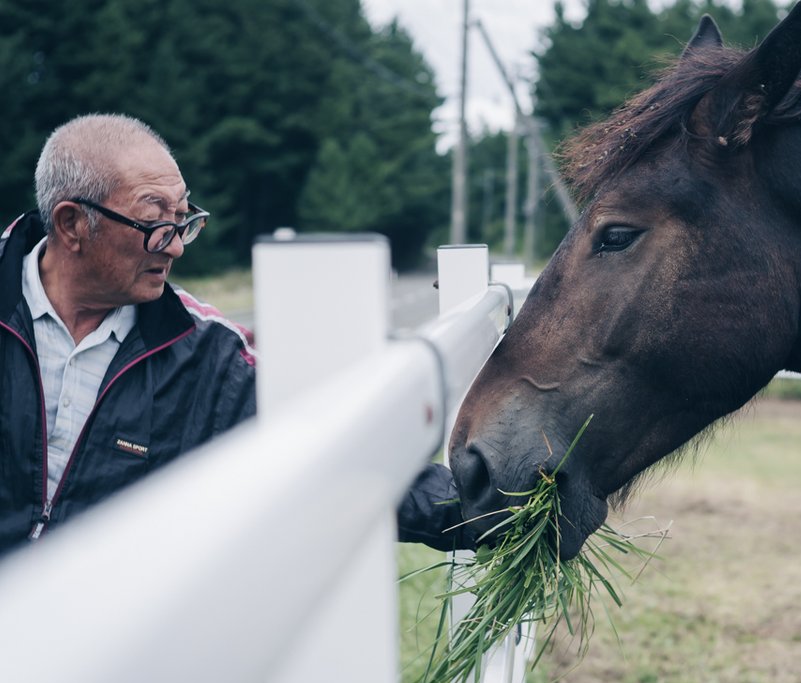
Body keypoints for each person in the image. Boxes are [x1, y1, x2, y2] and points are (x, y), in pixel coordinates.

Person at [0, 113, 466, 558]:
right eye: (156, 222)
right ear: (72, 224)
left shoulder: (207, 354)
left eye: (183, 218)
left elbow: (329, 447)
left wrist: (506, 506)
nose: (177, 245)